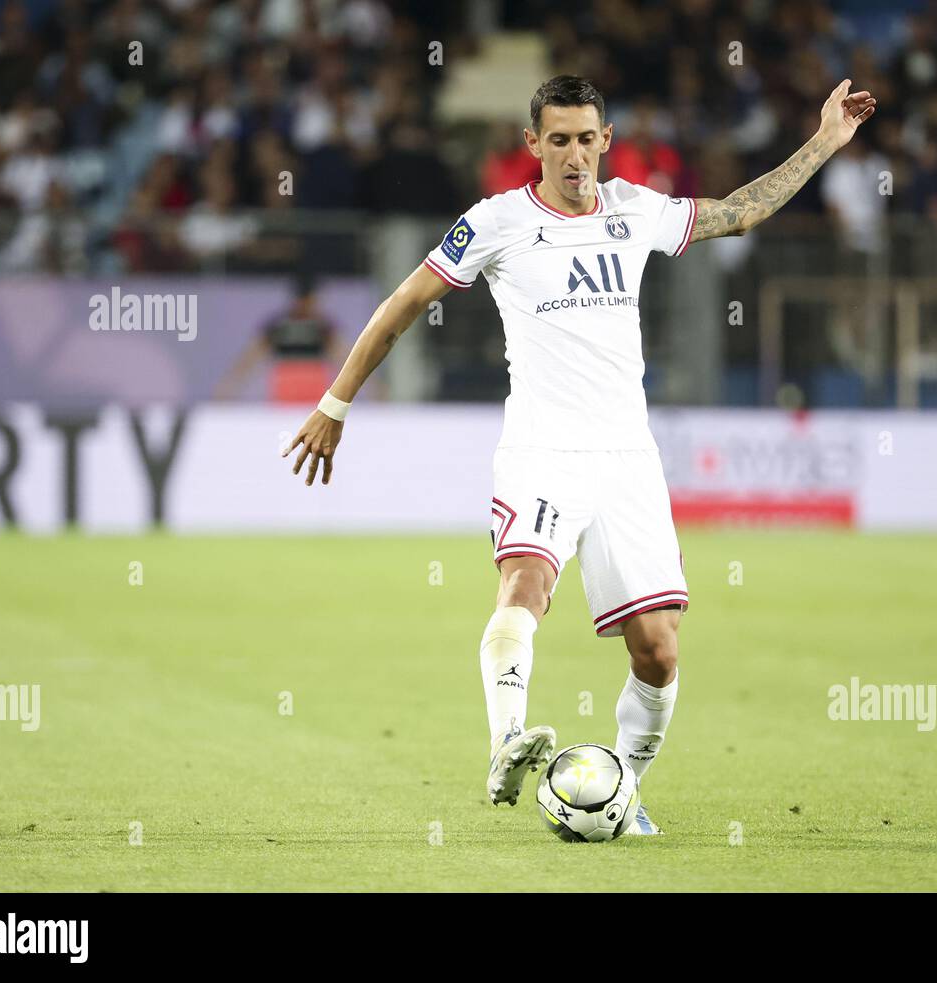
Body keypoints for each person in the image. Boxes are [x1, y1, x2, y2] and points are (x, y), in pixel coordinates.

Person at [283, 74, 875, 835]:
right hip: (543, 446)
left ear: (605, 141)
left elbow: (737, 213)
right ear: (532, 145)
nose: (572, 154)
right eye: (555, 140)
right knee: (525, 582)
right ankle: (505, 742)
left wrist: (825, 140)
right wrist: (335, 404)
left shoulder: (635, 209)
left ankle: (621, 789)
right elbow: (402, 305)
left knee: (659, 652)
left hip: (628, 456)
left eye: (584, 139)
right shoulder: (495, 222)